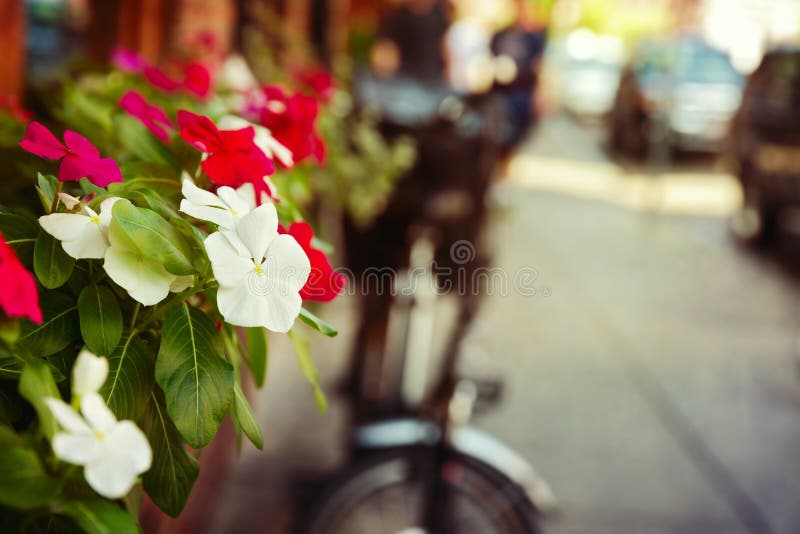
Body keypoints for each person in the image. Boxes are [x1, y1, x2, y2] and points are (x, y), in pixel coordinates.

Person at [490, 0, 547, 151]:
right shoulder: (498, 36)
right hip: (501, 94)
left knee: (519, 134)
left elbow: (538, 68)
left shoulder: (533, 39)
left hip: (523, 93)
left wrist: (539, 97)